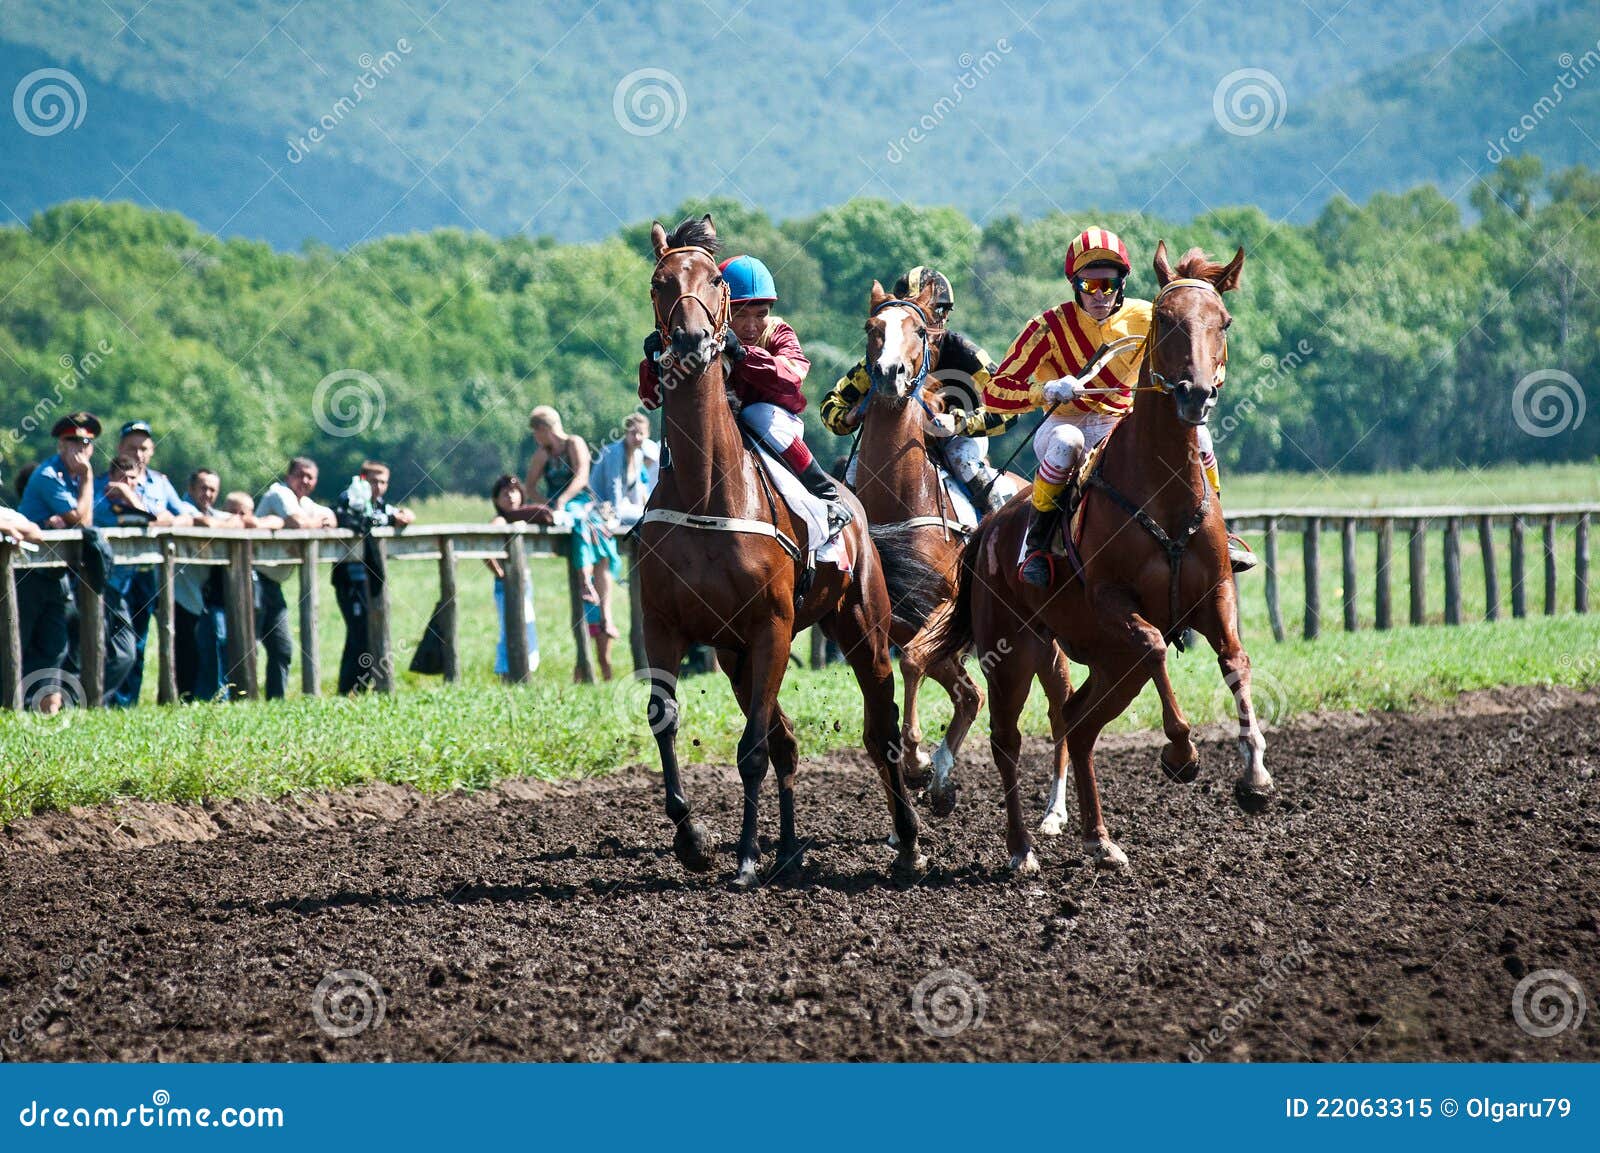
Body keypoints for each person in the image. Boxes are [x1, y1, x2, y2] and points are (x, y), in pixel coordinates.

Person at [983, 228, 1256, 586]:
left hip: (1124, 424)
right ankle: (1035, 545)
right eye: (1088, 285)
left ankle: (1218, 532)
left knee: (1201, 437)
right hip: (1066, 424)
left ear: (1121, 283)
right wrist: (1046, 391)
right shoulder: (1046, 328)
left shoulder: (1150, 316)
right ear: (1075, 285)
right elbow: (994, 392)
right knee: (1066, 442)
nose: (1099, 294)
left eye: (1108, 284)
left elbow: (1204, 348)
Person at [639, 252, 851, 530]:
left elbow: (792, 378)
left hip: (772, 422)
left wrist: (742, 354)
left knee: (757, 413)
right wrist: (655, 364)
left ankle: (825, 492)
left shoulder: (778, 332)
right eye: (740, 315)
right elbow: (651, 399)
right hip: (719, 425)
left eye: (760, 314)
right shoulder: (703, 337)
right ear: (723, 308)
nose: (751, 326)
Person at [821, 266, 1020, 514]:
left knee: (961, 458)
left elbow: (1012, 407)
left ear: (945, 315)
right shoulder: (882, 361)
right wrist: (847, 418)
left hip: (959, 438)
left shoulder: (965, 353)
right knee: (853, 469)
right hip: (898, 440)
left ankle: (994, 525)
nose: (927, 318)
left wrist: (959, 422)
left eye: (935, 311)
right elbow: (831, 404)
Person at [94, 421, 194, 706]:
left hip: (146, 574)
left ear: (151, 452)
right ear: (119, 448)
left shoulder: (159, 483)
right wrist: (156, 516)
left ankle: (128, 704)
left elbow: (185, 517)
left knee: (138, 642)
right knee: (107, 640)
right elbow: (98, 516)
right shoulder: (105, 482)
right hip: (111, 574)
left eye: (144, 448)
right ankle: (101, 700)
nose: (138, 454)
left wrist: (159, 518)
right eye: (132, 448)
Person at [525, 406, 622, 681]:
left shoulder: (573, 443)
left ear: (543, 429)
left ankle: (587, 583)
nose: (536, 438)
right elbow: (529, 486)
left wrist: (563, 500)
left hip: (580, 503)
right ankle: (590, 588)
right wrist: (547, 504)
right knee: (591, 540)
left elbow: (581, 476)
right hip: (561, 509)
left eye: (535, 432)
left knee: (588, 530)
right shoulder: (542, 455)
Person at [14, 412, 99, 713]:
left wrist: (83, 486)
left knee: (55, 644)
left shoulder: (74, 479)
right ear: (60, 445)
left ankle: (39, 706)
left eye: (86, 443)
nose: (80, 448)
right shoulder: (48, 475)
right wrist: (88, 478)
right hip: (28, 571)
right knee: (18, 640)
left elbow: (83, 520)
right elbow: (82, 520)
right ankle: (10, 704)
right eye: (72, 442)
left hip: (55, 573)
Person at [252, 457, 336, 698]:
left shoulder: (305, 503)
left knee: (282, 648)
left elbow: (330, 517)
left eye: (310, 477)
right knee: (248, 646)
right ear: (288, 476)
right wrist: (317, 523)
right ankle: (241, 699)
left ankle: (276, 701)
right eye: (300, 475)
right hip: (252, 577)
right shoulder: (279, 493)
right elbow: (298, 523)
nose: (305, 481)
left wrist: (319, 521)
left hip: (273, 583)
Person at [331, 461, 415, 694]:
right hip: (349, 578)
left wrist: (404, 515)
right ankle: (349, 689)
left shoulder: (380, 505)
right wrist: (392, 519)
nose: (378, 486)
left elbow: (397, 514)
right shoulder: (351, 497)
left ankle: (357, 688)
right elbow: (362, 521)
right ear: (362, 479)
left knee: (369, 631)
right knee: (359, 633)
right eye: (373, 481)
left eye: (383, 482)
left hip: (369, 578)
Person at [174, 469, 236, 701]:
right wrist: (226, 523)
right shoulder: (182, 508)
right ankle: (185, 698)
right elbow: (208, 524)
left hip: (198, 594)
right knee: (185, 650)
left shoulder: (210, 512)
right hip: (180, 593)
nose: (208, 494)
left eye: (212, 489)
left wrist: (228, 521)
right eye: (203, 488)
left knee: (201, 649)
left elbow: (239, 521)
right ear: (190, 488)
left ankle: (197, 697)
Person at [485, 474, 541, 679]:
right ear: (496, 499)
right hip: (507, 585)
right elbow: (486, 548)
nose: (510, 496)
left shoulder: (520, 519)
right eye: (505, 493)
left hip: (524, 582)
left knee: (525, 625)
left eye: (514, 491)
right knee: (511, 629)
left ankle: (521, 673)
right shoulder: (500, 520)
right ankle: (508, 674)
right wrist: (501, 573)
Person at [588, 413, 659, 530]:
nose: (637, 437)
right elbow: (613, 486)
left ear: (647, 434)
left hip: (621, 505)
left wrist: (642, 508)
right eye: (633, 433)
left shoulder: (638, 454)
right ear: (626, 433)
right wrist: (615, 516)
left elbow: (636, 490)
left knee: (652, 515)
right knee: (649, 519)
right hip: (602, 506)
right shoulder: (614, 452)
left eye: (641, 433)